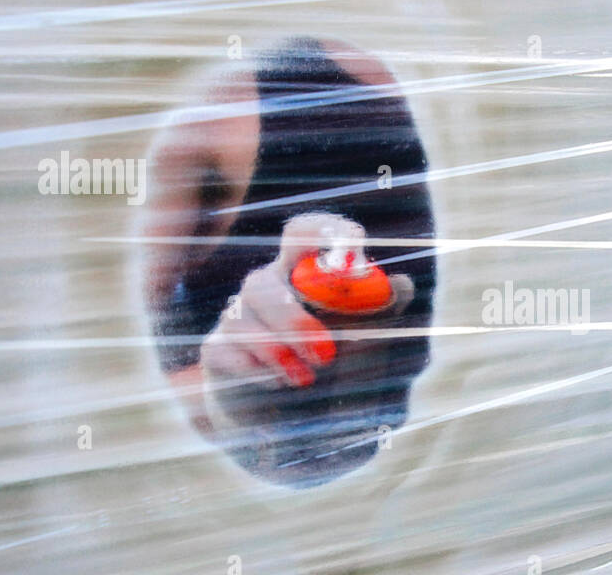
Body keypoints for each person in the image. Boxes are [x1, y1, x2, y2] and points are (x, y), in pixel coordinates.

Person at [142, 36, 436, 487]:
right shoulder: (197, 134)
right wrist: (227, 405)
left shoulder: (378, 82)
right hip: (336, 471)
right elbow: (148, 360)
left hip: (378, 468)